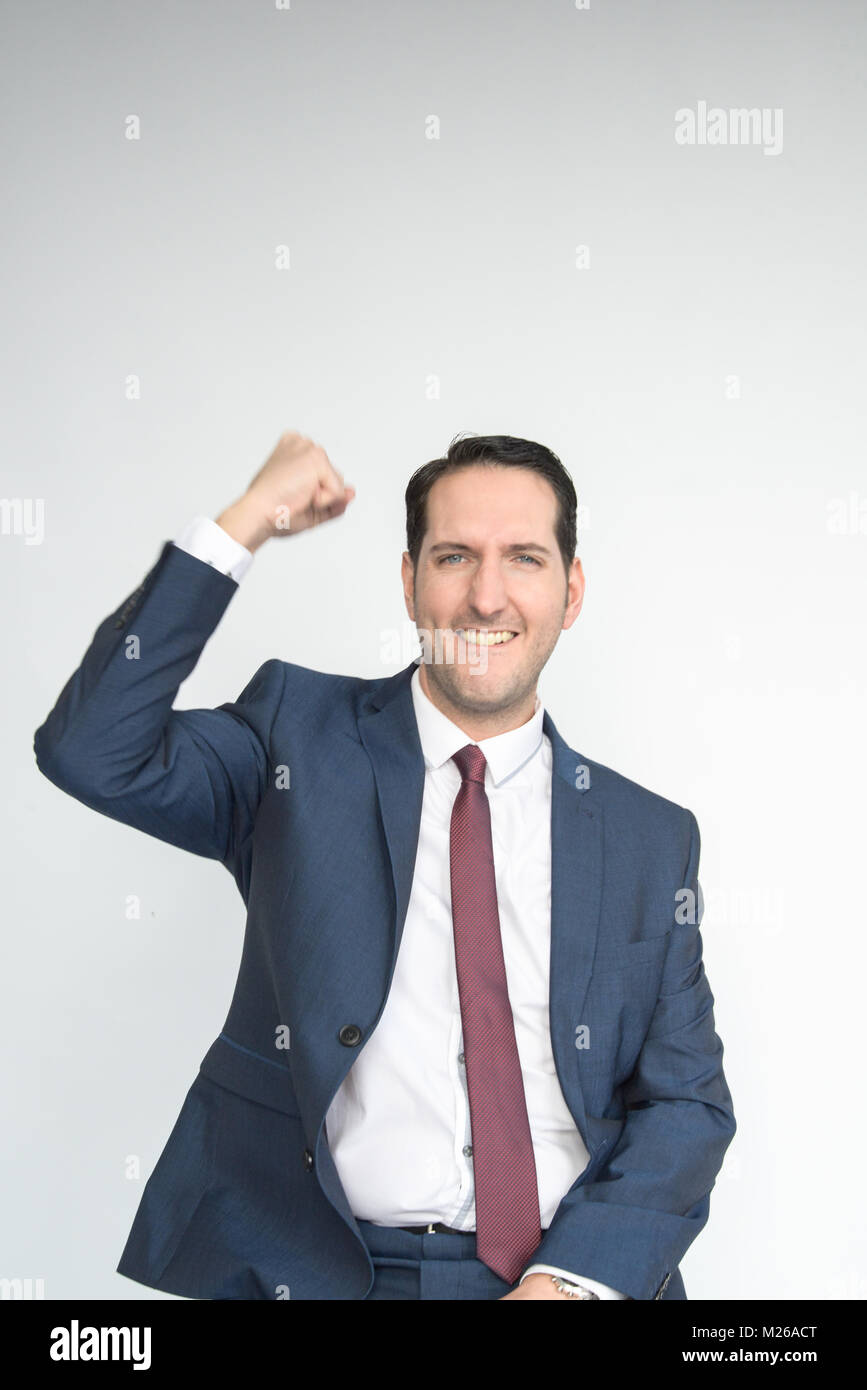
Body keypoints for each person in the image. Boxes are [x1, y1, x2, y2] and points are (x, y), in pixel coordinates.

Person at [33, 430, 736, 1300]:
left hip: (565, 1274)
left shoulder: (648, 838)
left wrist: (569, 1282)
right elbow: (91, 750)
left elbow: (684, 1103)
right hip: (323, 1273)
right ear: (408, 582)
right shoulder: (294, 742)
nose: (486, 597)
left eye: (523, 558)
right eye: (453, 557)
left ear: (571, 589)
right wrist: (244, 522)